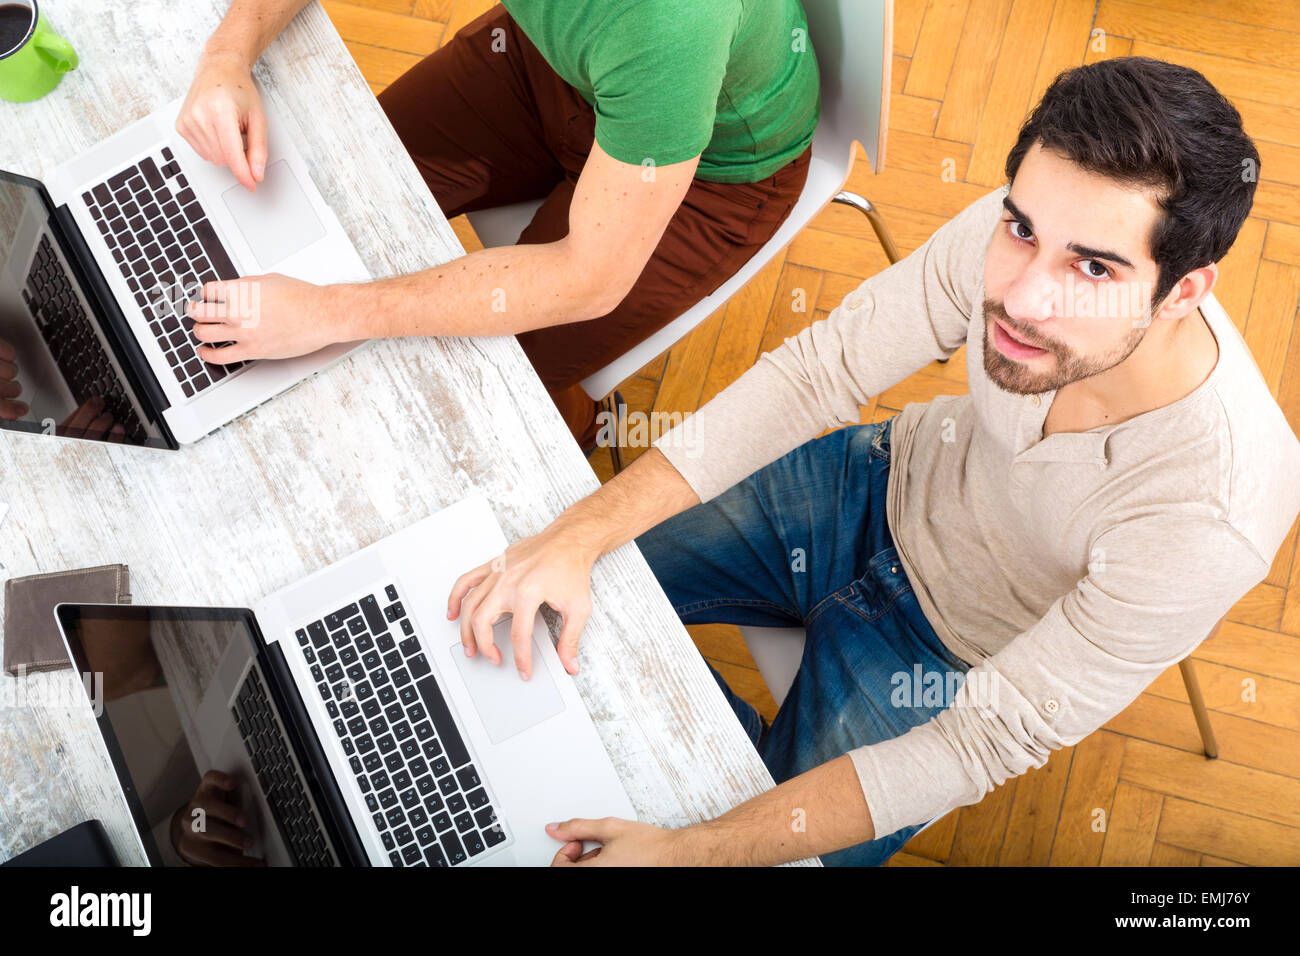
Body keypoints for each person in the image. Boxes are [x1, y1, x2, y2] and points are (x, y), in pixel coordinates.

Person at [446, 57, 1300, 866]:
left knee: (724, 842)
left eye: (1093, 268)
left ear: (1184, 292)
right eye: (1021, 228)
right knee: (512, 608)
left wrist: (689, 848)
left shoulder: (1212, 512)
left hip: (947, 663)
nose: (1022, 296)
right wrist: (579, 532)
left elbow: (986, 737)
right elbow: (822, 371)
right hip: (866, 484)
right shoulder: (1028, 236)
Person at [174, 0, 818, 451]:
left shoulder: (671, 21)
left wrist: (329, 312)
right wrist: (227, 56)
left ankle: (569, 419)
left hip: (707, 179)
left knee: (455, 390)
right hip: (547, 62)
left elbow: (587, 276)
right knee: (325, 202)